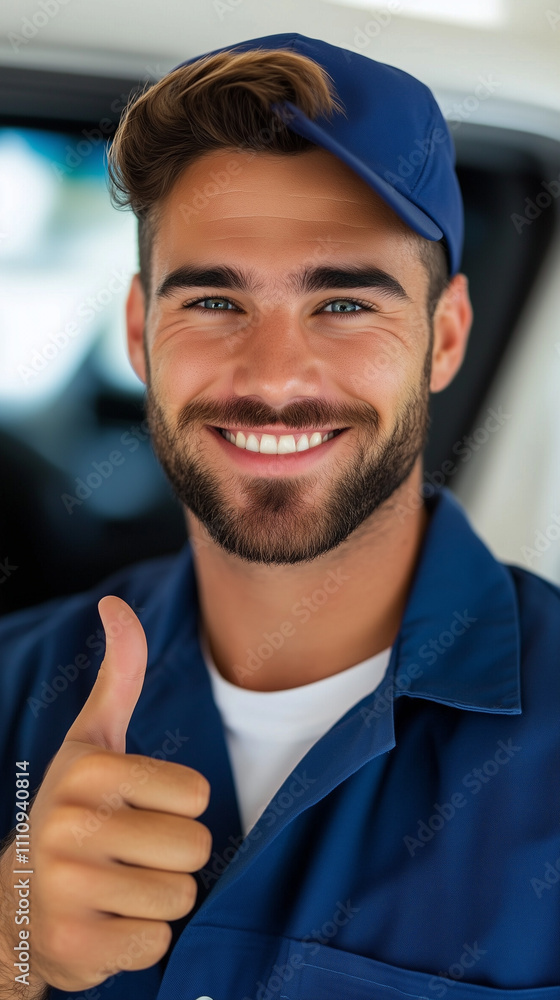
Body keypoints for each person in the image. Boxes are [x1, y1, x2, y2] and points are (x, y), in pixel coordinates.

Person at [0, 31, 559, 1000]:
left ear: (444, 337)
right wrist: (10, 939)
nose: (271, 379)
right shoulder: (12, 684)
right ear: (140, 331)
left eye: (342, 304)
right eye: (214, 299)